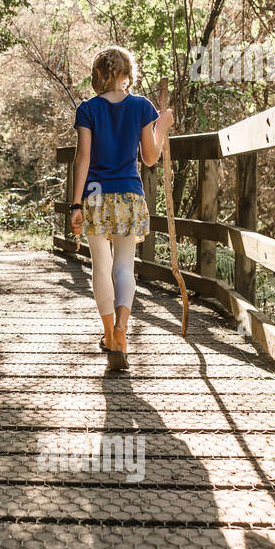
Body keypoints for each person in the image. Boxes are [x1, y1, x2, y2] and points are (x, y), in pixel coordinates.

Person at [68, 46, 175, 373]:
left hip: (96, 195)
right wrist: (163, 125)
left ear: (99, 74)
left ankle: (108, 336)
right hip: (128, 194)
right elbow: (150, 157)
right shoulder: (142, 106)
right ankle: (122, 333)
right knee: (124, 267)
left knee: (101, 265)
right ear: (128, 73)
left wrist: (75, 204)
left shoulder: (88, 109)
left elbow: (82, 159)